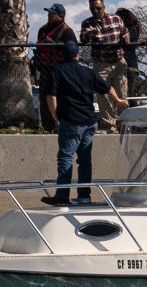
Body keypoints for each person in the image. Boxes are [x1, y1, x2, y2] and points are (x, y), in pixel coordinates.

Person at [39, 44, 107, 206]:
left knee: (65, 158)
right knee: (85, 160)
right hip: (90, 121)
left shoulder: (58, 70)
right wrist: (118, 100)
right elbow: (107, 87)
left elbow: (51, 96)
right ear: (77, 55)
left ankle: (62, 196)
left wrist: (55, 116)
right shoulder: (88, 71)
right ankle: (84, 195)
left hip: (71, 121)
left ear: (63, 56)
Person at [80, 0, 129, 120]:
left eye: (98, 8)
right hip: (101, 63)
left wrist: (126, 37)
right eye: (92, 9)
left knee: (122, 92)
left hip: (118, 61)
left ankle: (123, 122)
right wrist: (90, 33)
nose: (95, 11)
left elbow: (125, 32)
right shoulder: (87, 23)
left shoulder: (116, 19)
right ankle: (109, 123)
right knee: (102, 93)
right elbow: (83, 39)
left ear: (104, 7)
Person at [31, 5, 77, 129]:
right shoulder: (42, 30)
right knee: (44, 98)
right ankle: (48, 127)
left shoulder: (67, 31)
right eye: (49, 13)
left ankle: (63, 125)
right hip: (45, 69)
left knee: (62, 98)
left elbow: (72, 51)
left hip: (60, 69)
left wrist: (56, 45)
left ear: (61, 16)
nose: (49, 16)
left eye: (52, 14)